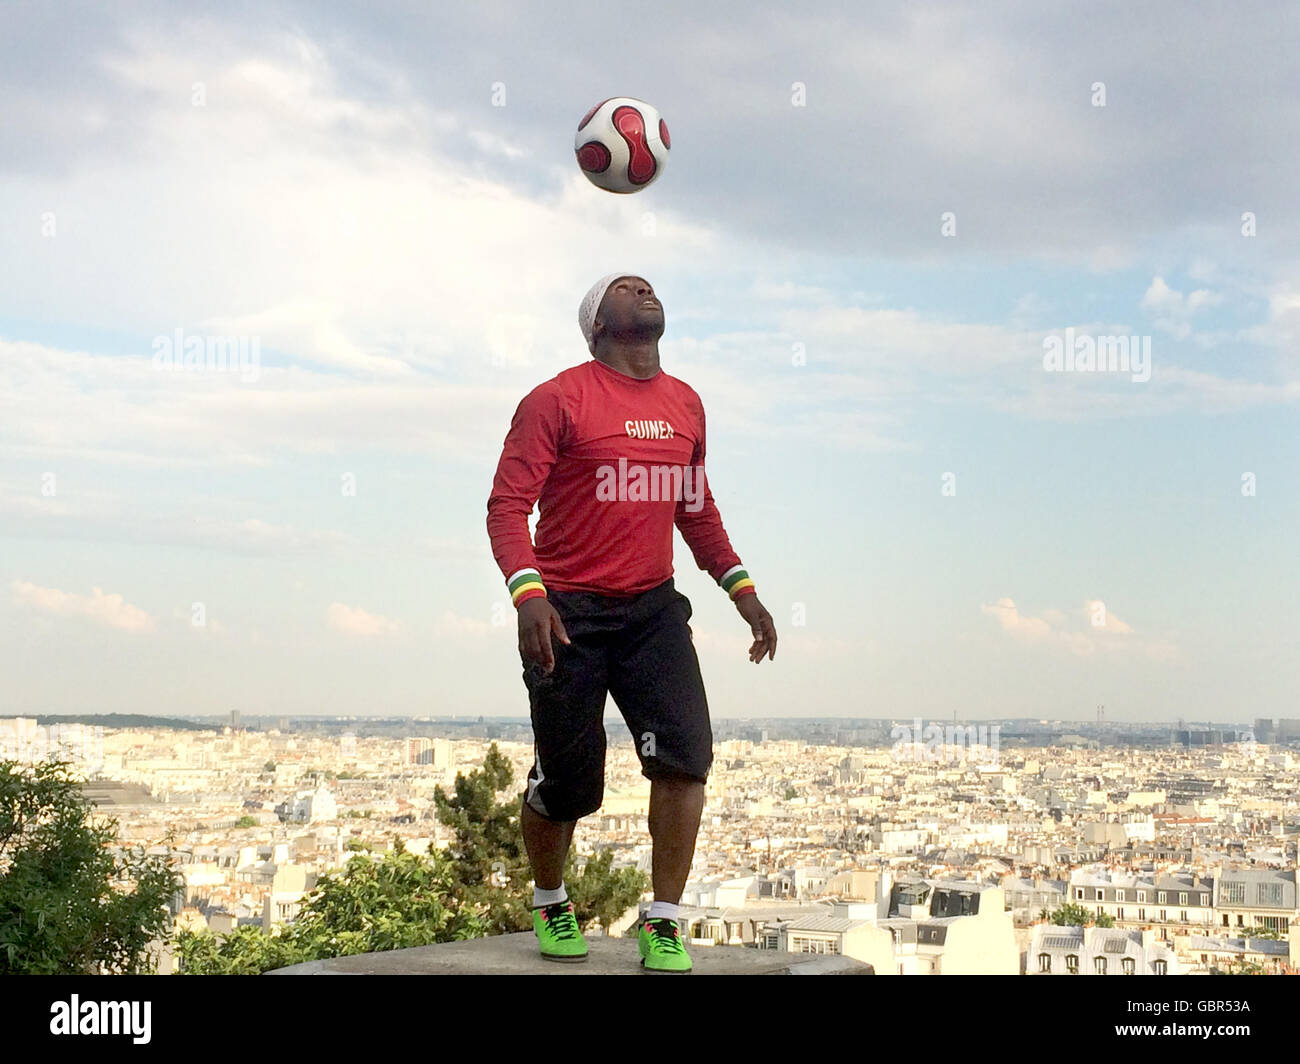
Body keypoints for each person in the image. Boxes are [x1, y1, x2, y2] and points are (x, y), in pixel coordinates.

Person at [486, 273, 777, 972]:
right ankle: (551, 897)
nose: (644, 289)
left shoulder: (687, 406)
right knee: (571, 785)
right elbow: (506, 506)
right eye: (625, 288)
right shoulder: (556, 399)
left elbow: (695, 509)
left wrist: (743, 591)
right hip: (567, 612)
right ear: (597, 324)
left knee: (686, 758)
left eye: (648, 285)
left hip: (652, 610)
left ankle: (663, 919)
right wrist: (530, 597)